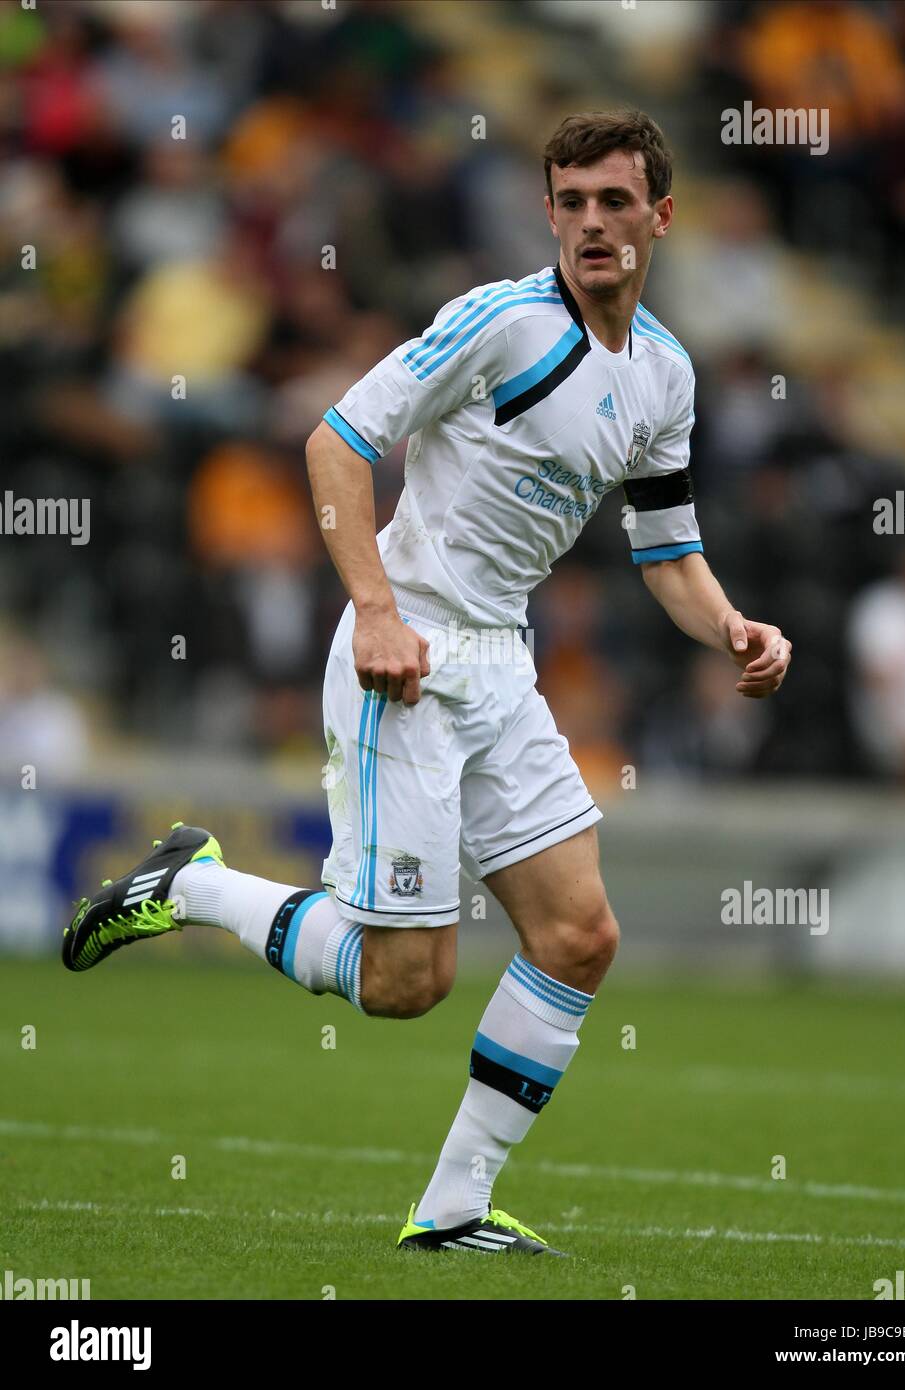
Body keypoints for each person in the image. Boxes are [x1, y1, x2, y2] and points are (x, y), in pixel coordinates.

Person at [63, 109, 792, 1256]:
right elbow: (335, 441)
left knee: (579, 936)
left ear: (662, 214)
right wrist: (375, 611)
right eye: (571, 201)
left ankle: (453, 1207)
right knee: (407, 981)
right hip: (400, 662)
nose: (592, 223)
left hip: (501, 663)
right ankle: (192, 884)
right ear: (547, 212)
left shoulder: (664, 373)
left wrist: (734, 626)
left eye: (615, 201)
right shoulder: (503, 322)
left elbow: (664, 546)